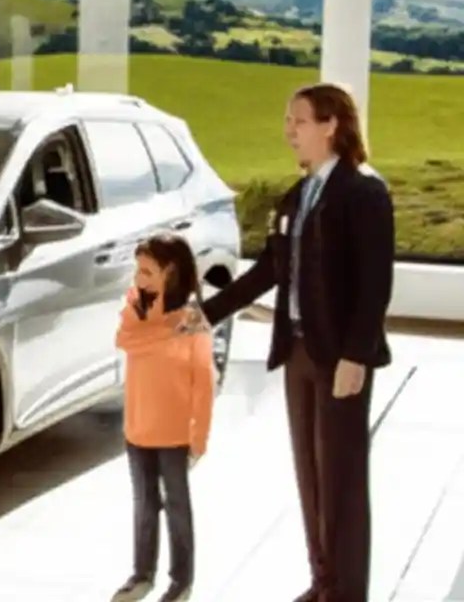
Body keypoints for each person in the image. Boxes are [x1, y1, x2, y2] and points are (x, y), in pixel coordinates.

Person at [199, 82, 395, 602]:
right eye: (288, 121)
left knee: (342, 483)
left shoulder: (364, 191)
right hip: (299, 352)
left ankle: (348, 592)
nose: (289, 131)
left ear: (332, 124)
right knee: (310, 476)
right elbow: (269, 269)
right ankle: (323, 582)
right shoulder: (298, 195)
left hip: (340, 359)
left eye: (299, 121)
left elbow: (375, 283)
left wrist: (357, 355)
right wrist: (207, 312)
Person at [111, 234, 215, 602]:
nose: (138, 279)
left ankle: (181, 580)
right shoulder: (136, 306)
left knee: (177, 505)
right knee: (143, 504)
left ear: (169, 272)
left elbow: (204, 381)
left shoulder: (194, 321)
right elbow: (125, 341)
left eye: (147, 272)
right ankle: (142, 575)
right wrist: (169, 331)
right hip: (137, 427)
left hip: (174, 433)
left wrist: (199, 435)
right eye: (137, 271)